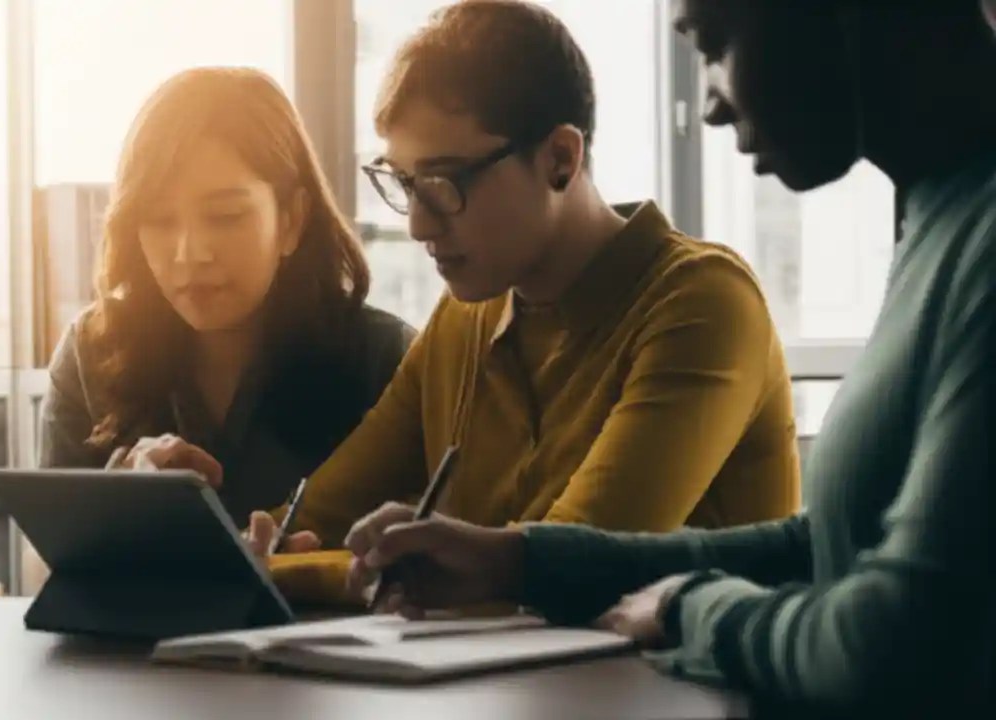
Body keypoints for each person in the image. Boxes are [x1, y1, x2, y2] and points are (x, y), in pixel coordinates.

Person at [346, 0, 996, 713]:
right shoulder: (940, 212)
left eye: (717, 45)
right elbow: (835, 543)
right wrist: (520, 561)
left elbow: (911, 641)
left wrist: (696, 609)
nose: (711, 105)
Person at [237, 0, 800, 604]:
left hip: (673, 692)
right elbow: (304, 524)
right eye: (404, 185)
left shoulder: (703, 304)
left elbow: (569, 563)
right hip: (507, 694)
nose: (420, 225)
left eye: (443, 183)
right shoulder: (463, 319)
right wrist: (214, 539)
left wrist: (372, 565)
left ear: (560, 158)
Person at [39, 67, 415, 528]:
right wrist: (121, 500)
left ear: (292, 220)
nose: (189, 254)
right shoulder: (91, 353)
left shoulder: (384, 359)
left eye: (225, 216)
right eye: (158, 220)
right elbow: (53, 557)